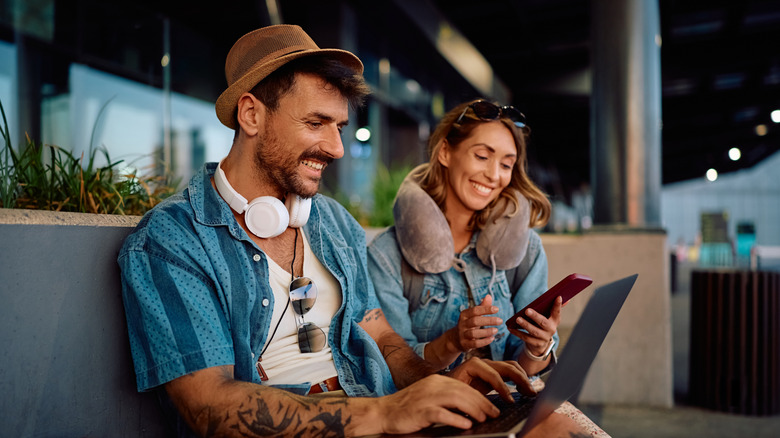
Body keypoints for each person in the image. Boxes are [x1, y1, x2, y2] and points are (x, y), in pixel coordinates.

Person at [118, 24, 537, 438]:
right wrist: (387, 412)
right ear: (251, 115)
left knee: (552, 423)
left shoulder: (333, 221)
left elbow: (381, 334)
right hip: (355, 423)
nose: (337, 147)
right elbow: (209, 407)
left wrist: (435, 382)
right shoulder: (172, 240)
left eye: (338, 126)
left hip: (385, 418)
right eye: (317, 123)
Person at [367, 99, 560, 378]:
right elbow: (393, 369)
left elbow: (525, 371)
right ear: (445, 152)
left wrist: (538, 348)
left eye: (507, 165)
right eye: (482, 156)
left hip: (505, 402)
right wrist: (452, 341)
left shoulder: (526, 249)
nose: (494, 175)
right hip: (429, 410)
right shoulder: (386, 255)